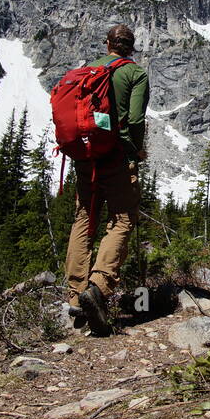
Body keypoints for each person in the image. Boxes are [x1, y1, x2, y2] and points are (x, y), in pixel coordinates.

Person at [65, 24, 149, 335]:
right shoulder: (134, 74)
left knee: (84, 218)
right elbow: (137, 118)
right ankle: (98, 288)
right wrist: (135, 150)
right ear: (132, 47)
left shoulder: (88, 69)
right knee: (123, 218)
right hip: (116, 155)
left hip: (86, 155)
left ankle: (75, 296)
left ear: (107, 44)